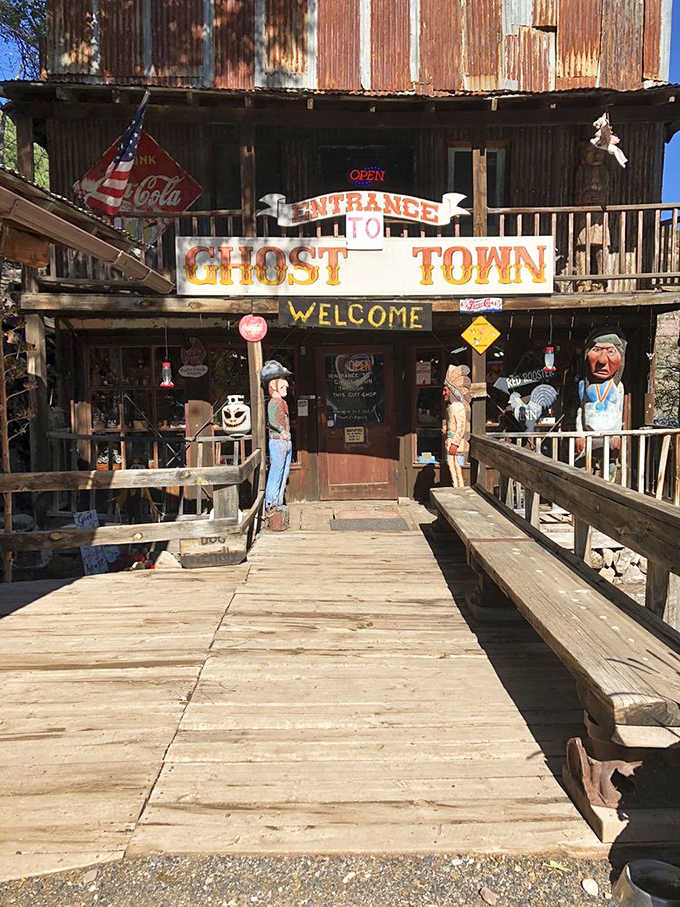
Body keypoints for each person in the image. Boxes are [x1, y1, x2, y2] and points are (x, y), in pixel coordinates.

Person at [262, 360, 293, 511]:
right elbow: (272, 421)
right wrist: (282, 430)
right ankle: (271, 502)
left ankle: (278, 501)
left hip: (285, 440)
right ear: (273, 386)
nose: (286, 387)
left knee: (284, 470)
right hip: (278, 440)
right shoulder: (273, 402)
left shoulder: (282, 402)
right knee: (277, 470)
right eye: (282, 385)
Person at [442, 364, 471, 488]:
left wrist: (455, 443)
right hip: (451, 441)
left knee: (457, 466)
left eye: (445, 390)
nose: (443, 393)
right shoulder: (451, 407)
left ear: (452, 391)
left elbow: (461, 426)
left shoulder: (458, 406)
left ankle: (460, 488)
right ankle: (456, 487)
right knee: (451, 466)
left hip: (456, 443)